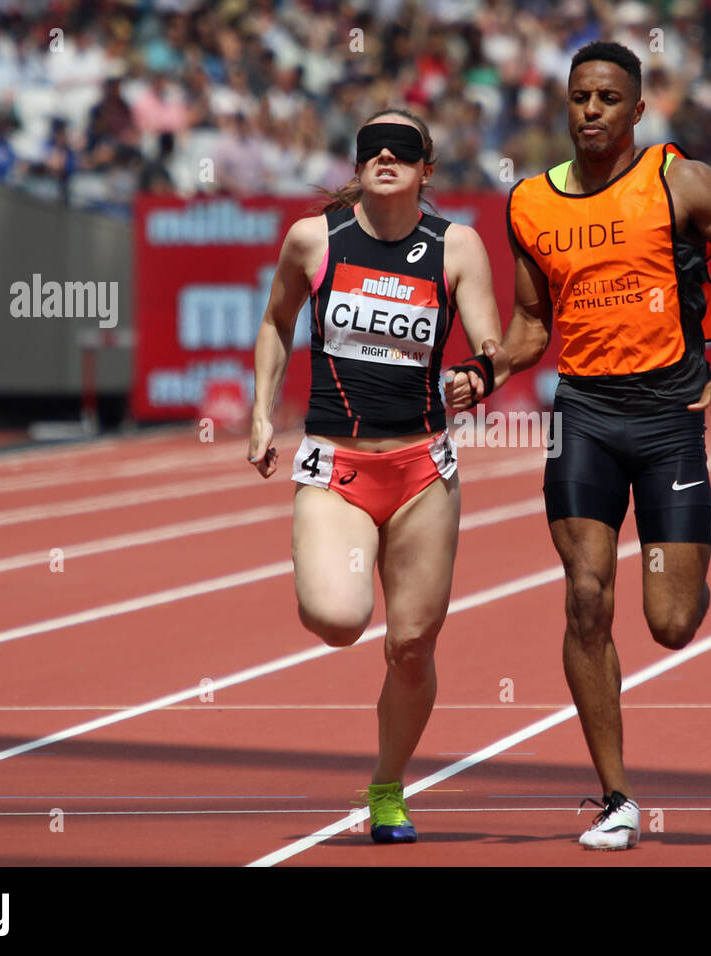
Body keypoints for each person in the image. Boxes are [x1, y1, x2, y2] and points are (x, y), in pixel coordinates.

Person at [502, 41, 711, 850]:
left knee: (668, 622)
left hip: (669, 420)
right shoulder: (529, 203)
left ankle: (689, 575)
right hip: (583, 415)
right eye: (578, 97)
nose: (590, 110)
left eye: (606, 98)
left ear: (636, 110)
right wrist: (483, 369)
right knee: (586, 598)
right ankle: (616, 796)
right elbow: (531, 328)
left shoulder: (680, 181)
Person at [247, 109, 509, 844]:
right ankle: (317, 548)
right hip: (338, 462)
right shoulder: (313, 239)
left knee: (411, 647)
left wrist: (477, 375)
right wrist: (262, 414)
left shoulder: (455, 246)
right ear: (358, 165)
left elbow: (490, 339)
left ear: (427, 169)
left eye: (403, 149)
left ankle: (388, 786)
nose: (385, 155)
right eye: (371, 147)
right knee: (337, 620)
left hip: (424, 467)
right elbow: (276, 322)